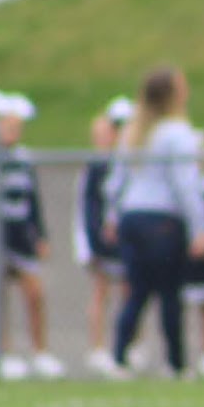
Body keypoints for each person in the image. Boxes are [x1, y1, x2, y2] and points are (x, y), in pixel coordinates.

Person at [105, 65, 204, 377]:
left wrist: (112, 216)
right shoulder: (176, 133)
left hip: (132, 216)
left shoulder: (134, 131)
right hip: (162, 220)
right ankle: (176, 363)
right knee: (169, 293)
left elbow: (117, 180)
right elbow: (185, 184)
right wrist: (200, 228)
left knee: (137, 291)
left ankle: (119, 355)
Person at [0, 88, 64, 380]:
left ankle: (40, 350)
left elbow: (33, 201)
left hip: (21, 235)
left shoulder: (23, 158)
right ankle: (4, 350)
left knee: (34, 292)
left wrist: (40, 235)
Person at [76, 96, 132, 374]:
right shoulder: (98, 165)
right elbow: (88, 208)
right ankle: (97, 346)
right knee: (101, 291)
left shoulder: (129, 162)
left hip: (127, 239)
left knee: (129, 291)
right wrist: (94, 240)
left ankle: (128, 344)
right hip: (104, 241)